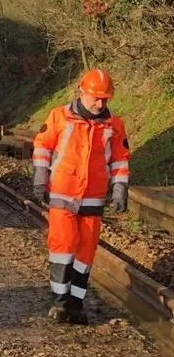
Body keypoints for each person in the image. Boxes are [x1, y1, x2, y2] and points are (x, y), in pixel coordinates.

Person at [32, 68, 130, 324]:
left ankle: (76, 303)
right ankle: (61, 301)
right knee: (63, 247)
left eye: (105, 99)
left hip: (93, 198)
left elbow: (120, 160)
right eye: (96, 98)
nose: (100, 103)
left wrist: (120, 188)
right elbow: (43, 147)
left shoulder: (114, 125)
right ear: (81, 92)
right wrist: (41, 179)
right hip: (63, 194)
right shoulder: (59, 117)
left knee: (86, 251)